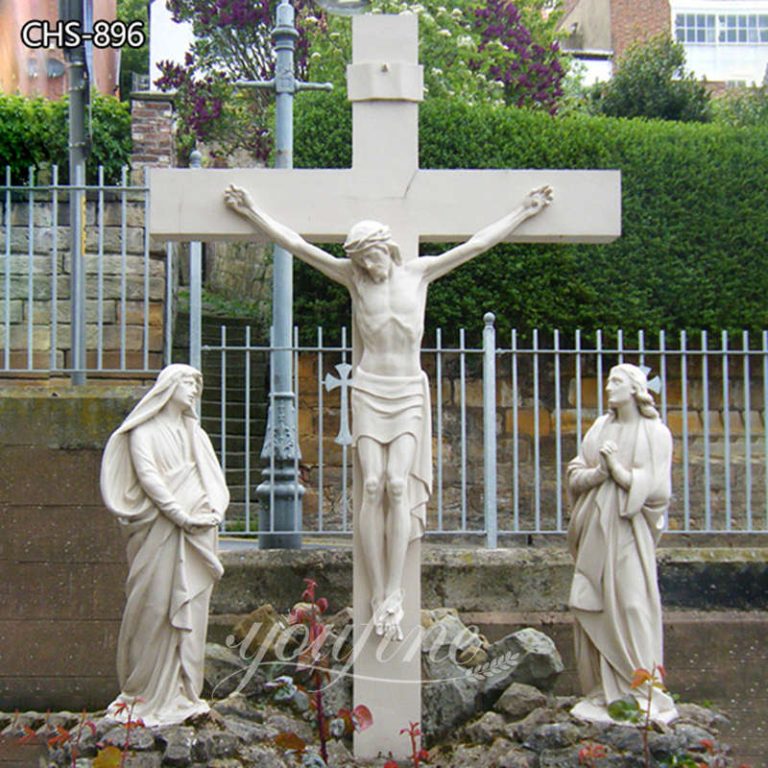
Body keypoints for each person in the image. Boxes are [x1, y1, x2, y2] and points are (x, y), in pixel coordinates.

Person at [224, 183, 553, 640]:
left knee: (399, 486)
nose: (366, 267)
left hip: (407, 392)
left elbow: (477, 244)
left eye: (370, 257)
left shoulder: (419, 273)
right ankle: (377, 592)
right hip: (370, 388)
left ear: (386, 248)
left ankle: (395, 591)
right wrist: (252, 211)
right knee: (372, 485)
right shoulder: (352, 278)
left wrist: (523, 210)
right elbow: (296, 244)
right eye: (359, 260)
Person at [100, 364, 229, 726]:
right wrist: (180, 515)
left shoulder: (195, 434)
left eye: (197, 385)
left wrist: (213, 512)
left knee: (191, 611)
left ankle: (182, 692)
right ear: (168, 387)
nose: (193, 390)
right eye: (187, 383)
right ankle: (141, 692)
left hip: (196, 534)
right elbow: (150, 479)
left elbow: (214, 481)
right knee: (153, 607)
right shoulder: (144, 432)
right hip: (160, 530)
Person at [567, 363, 678, 724]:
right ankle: (602, 689)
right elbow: (575, 474)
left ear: (635, 389)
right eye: (608, 381)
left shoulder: (655, 433)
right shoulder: (600, 427)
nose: (608, 387)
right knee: (593, 604)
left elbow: (660, 490)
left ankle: (643, 690)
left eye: (616, 381)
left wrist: (620, 472)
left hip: (629, 531)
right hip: (596, 530)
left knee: (632, 604)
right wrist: (599, 472)